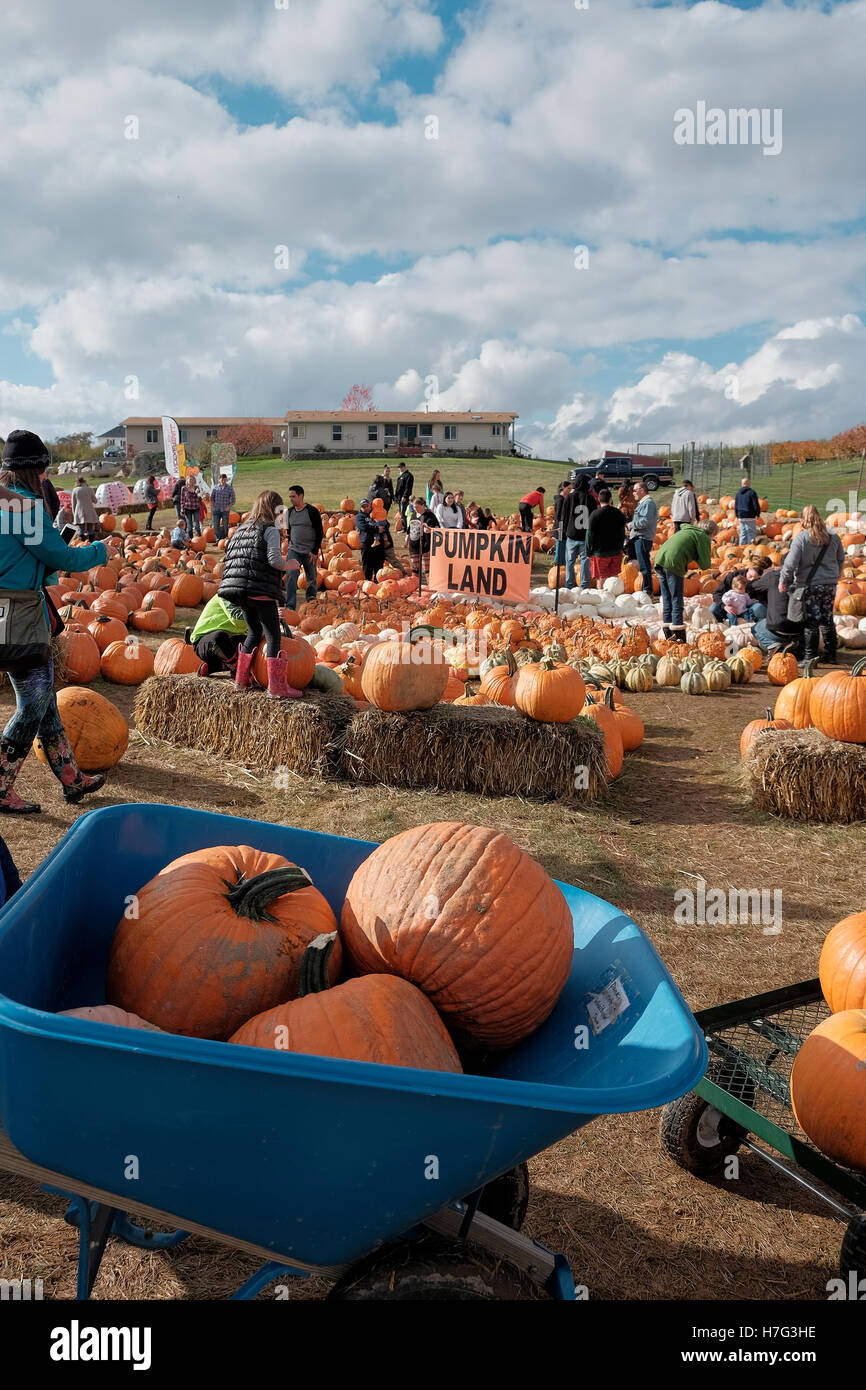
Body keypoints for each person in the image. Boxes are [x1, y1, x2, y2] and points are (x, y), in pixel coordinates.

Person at [0, 430, 109, 813]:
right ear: (36, 470)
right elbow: (64, 559)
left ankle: (71, 778)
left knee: (45, 702)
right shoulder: (25, 509)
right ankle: (0, 783)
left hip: (6, 613)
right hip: (21, 617)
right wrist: (99, 550)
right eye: (44, 470)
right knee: (32, 705)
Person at [218, 489, 301, 699]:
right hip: (260, 590)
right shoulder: (270, 529)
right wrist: (290, 564)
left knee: (253, 633)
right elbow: (274, 560)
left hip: (240, 592)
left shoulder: (242, 528)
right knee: (273, 635)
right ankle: (276, 688)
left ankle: (241, 681)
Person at [778, 504, 844, 666]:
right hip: (829, 584)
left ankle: (810, 658)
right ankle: (831, 655)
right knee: (827, 619)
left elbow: (790, 563)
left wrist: (783, 580)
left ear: (803, 520)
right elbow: (841, 558)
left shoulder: (801, 538)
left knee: (811, 622)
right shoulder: (833, 536)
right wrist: (834, 574)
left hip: (810, 585)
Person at [653, 519, 718, 641]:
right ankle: (679, 637)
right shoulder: (703, 536)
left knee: (667, 599)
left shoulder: (687, 530)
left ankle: (668, 634)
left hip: (659, 560)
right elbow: (704, 565)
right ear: (712, 533)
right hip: (673, 564)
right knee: (677, 599)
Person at [746, 564, 805, 657]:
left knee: (755, 628)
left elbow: (750, 587)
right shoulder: (807, 577)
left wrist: (762, 578)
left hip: (778, 631)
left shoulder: (773, 576)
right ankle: (798, 647)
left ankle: (773, 645)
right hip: (800, 632)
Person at [283, 483, 324, 612]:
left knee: (311, 578)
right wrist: (290, 545)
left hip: (309, 551)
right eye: (290, 496)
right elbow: (289, 531)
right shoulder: (289, 512)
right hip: (294, 550)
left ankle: (311, 602)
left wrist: (314, 551)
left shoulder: (311, 511)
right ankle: (290, 605)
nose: (291, 499)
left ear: (301, 496)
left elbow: (319, 531)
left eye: (293, 496)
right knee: (291, 576)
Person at [190, 594, 248, 676]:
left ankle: (216, 666)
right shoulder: (225, 595)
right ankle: (236, 668)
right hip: (205, 641)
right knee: (219, 637)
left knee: (251, 644)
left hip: (230, 644)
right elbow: (237, 620)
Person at [586, 489, 627, 585]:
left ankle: (602, 598)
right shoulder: (618, 513)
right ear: (610, 499)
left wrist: (588, 551)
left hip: (600, 552)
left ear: (599, 500)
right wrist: (621, 547)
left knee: (601, 578)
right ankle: (614, 596)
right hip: (616, 551)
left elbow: (589, 535)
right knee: (614, 579)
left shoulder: (594, 514)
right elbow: (622, 533)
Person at [711, 558, 770, 624]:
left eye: (755, 578)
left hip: (747, 610)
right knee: (713, 608)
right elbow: (717, 593)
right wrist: (724, 606)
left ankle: (756, 625)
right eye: (750, 576)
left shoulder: (762, 582)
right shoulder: (734, 576)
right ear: (749, 568)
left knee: (759, 608)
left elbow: (766, 600)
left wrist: (755, 601)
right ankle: (721, 624)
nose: (752, 579)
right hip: (729, 608)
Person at [629, 480, 658, 596]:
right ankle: (645, 588)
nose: (633, 493)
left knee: (644, 564)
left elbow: (646, 520)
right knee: (643, 563)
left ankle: (647, 589)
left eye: (635, 490)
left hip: (643, 537)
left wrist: (632, 525)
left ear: (642, 490)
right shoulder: (643, 503)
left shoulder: (648, 503)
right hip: (640, 537)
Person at [562, 474, 591, 589]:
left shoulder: (570, 497)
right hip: (585, 535)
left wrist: (565, 530)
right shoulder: (590, 498)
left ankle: (569, 585)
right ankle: (584, 585)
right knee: (584, 561)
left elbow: (564, 516)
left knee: (569, 561)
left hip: (572, 534)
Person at [407, 497, 439, 579]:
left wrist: (430, 530)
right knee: (415, 568)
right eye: (414, 507)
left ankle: (429, 588)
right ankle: (415, 586)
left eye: (417, 507)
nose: (415, 509)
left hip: (425, 545)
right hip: (413, 544)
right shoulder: (414, 514)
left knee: (427, 568)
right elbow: (409, 528)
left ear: (423, 505)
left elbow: (437, 528)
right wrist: (407, 538)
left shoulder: (430, 515)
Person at [356, 499, 384, 581]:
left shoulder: (375, 513)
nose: (366, 508)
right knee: (367, 563)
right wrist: (376, 528)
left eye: (367, 506)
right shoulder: (359, 517)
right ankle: (367, 580)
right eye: (363, 506)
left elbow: (384, 522)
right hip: (366, 542)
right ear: (361, 507)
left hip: (378, 542)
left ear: (370, 505)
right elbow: (363, 527)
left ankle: (377, 580)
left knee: (378, 562)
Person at [734, 476, 761, 544]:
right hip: (749, 515)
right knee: (751, 532)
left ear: (742, 484)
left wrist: (737, 515)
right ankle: (750, 548)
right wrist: (757, 514)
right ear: (748, 484)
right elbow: (755, 505)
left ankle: (741, 547)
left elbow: (736, 506)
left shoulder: (738, 493)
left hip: (741, 515)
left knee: (743, 533)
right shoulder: (752, 493)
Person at [210, 473, 236, 542]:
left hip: (225, 510)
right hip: (216, 510)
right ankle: (218, 540)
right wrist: (213, 506)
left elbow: (233, 499)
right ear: (219, 480)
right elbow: (212, 498)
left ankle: (225, 539)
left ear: (226, 480)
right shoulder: (215, 488)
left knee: (225, 525)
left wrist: (228, 507)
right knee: (216, 526)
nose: (223, 481)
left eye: (224, 480)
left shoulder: (230, 488)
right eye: (222, 480)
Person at [553, 481, 573, 568]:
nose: (570, 490)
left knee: (563, 547)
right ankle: (558, 565)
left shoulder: (564, 499)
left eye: (571, 489)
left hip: (564, 527)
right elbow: (558, 515)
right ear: (563, 488)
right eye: (568, 488)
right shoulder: (560, 500)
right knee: (560, 547)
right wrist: (561, 526)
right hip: (560, 528)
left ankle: (562, 564)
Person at [394, 461, 414, 531]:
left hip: (404, 498)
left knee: (404, 512)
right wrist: (395, 496)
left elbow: (408, 487)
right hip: (399, 497)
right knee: (401, 511)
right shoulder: (401, 475)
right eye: (399, 467)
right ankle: (403, 526)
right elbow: (398, 487)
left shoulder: (408, 475)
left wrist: (405, 496)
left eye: (401, 467)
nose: (400, 469)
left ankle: (404, 528)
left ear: (405, 467)